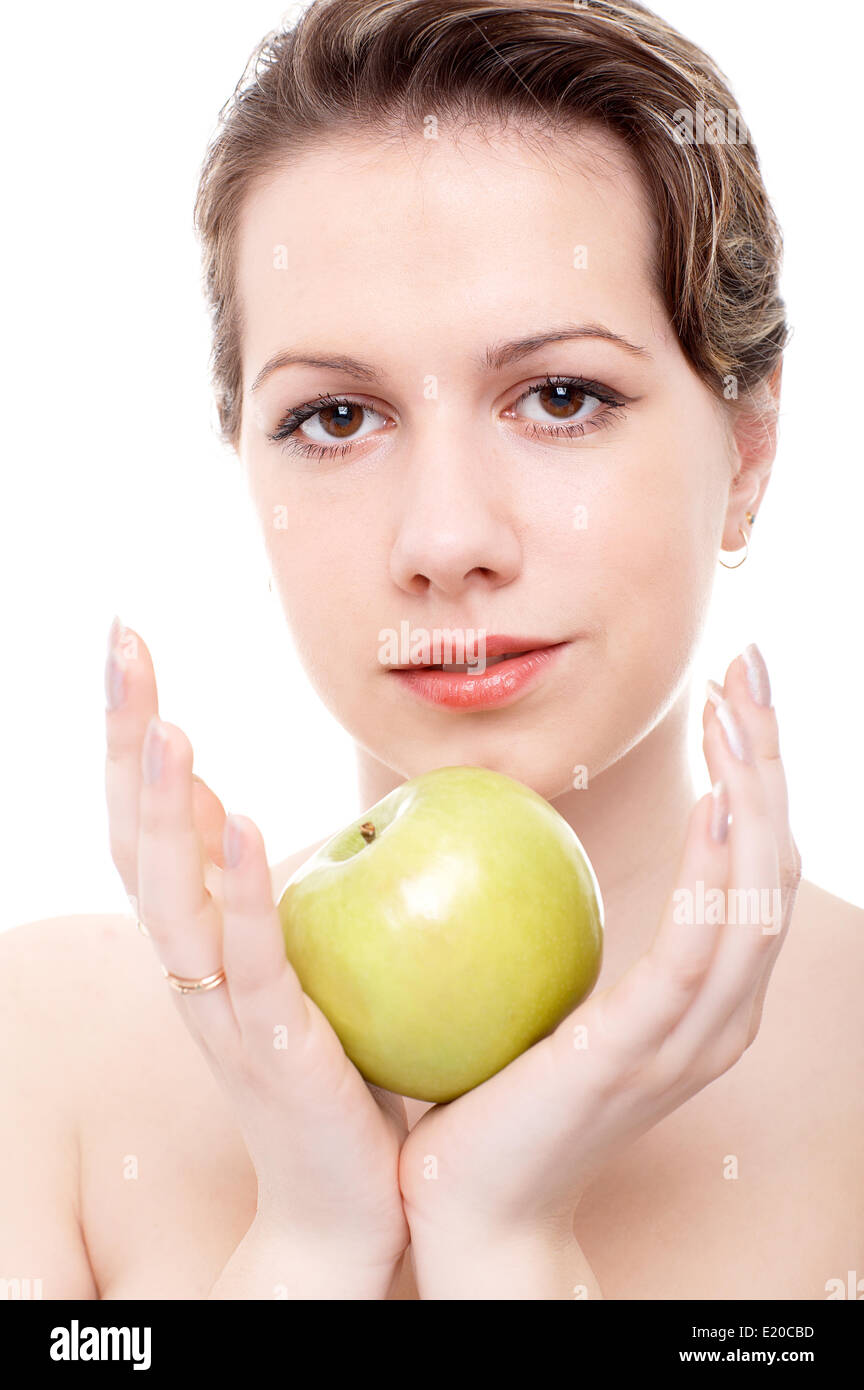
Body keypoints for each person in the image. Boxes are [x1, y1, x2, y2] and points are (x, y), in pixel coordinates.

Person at [2, 0, 861, 1301]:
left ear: (747, 453)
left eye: (560, 397)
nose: (446, 536)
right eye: (337, 414)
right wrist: (308, 1241)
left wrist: (507, 1248)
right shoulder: (39, 1064)